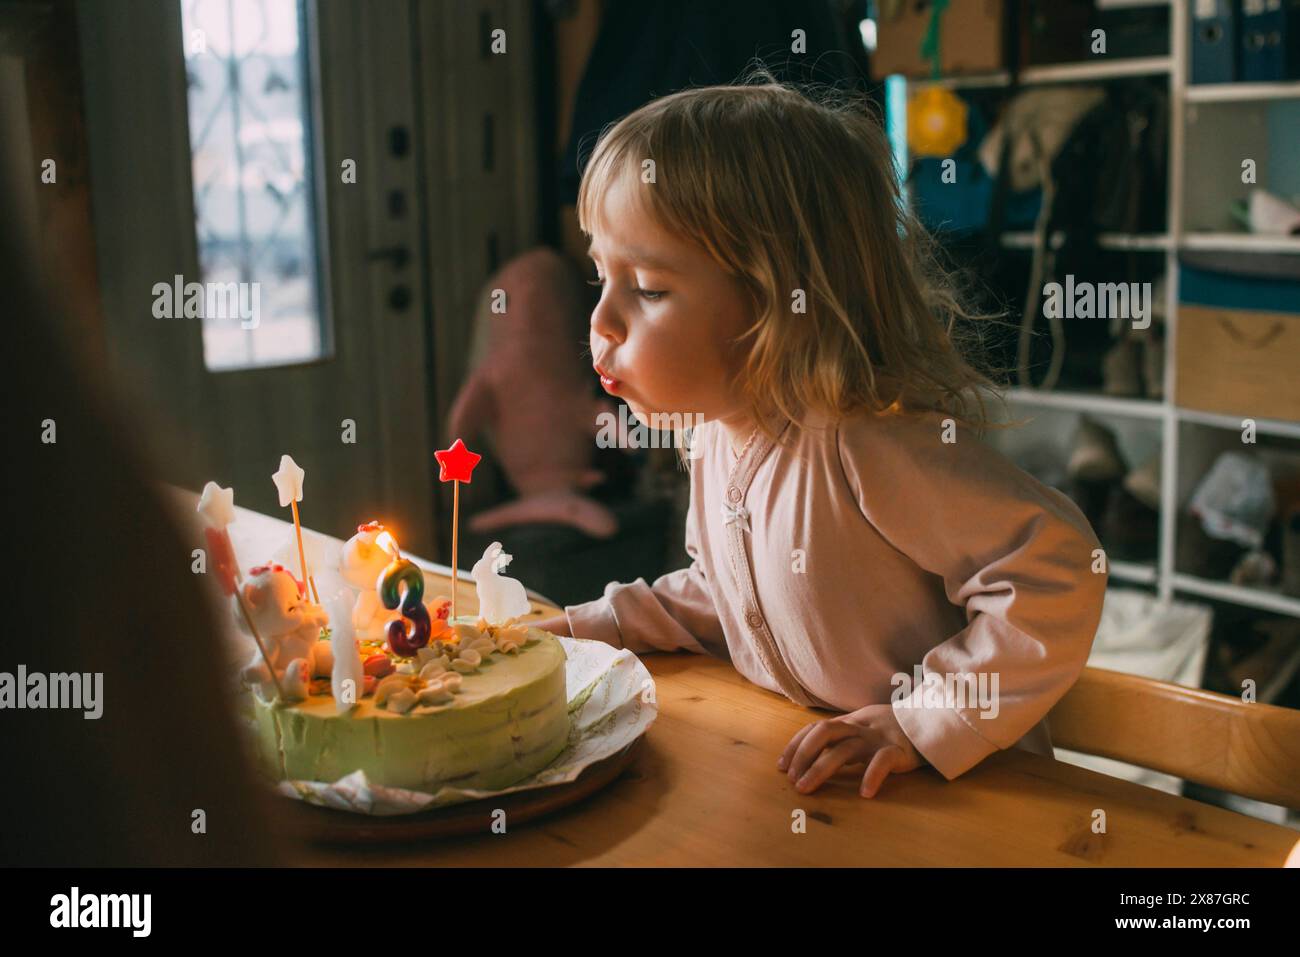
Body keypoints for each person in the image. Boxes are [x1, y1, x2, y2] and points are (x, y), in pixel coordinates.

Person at [532, 73, 1109, 800]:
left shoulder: (866, 441)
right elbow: (737, 591)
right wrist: (599, 624)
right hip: (836, 793)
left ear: (776, 303)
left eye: (647, 287)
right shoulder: (714, 434)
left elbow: (1059, 566)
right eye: (600, 276)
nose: (602, 322)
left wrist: (918, 721)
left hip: (968, 802)